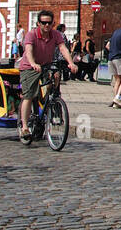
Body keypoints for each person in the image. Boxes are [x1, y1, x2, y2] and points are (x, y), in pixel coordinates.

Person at [17, 10, 78, 142]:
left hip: (46, 65)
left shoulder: (55, 34)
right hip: (30, 67)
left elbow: (63, 48)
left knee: (55, 77)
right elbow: (28, 50)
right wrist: (33, 63)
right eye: (43, 23)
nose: (46, 25)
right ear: (38, 23)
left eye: (49, 23)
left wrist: (71, 63)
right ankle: (25, 127)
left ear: (53, 23)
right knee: (29, 95)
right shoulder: (31, 34)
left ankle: (50, 102)